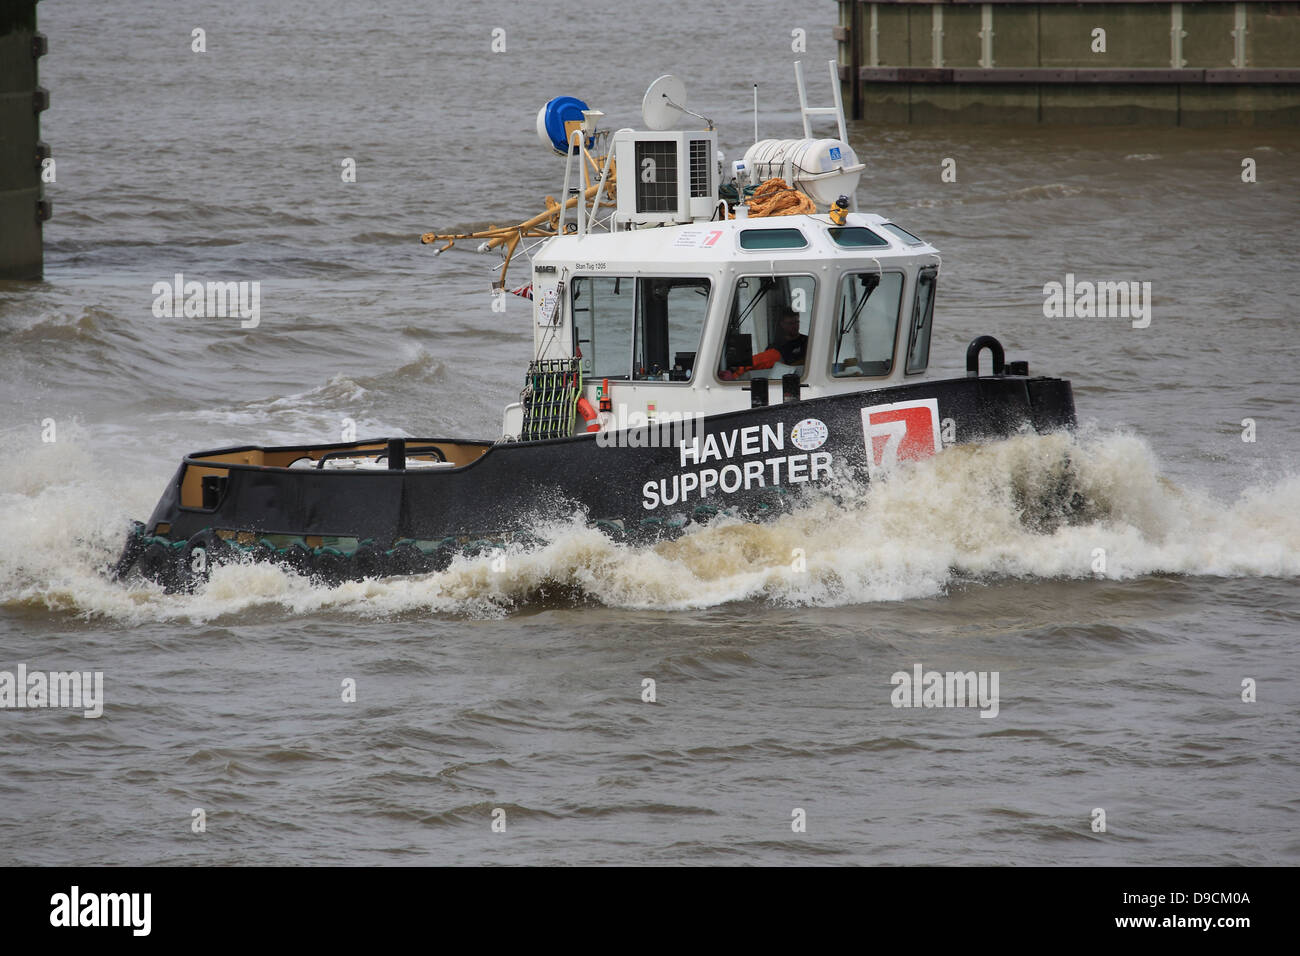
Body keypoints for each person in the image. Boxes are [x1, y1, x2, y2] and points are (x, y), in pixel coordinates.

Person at [720, 308, 807, 379]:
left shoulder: (806, 342)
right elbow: (762, 363)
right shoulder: (775, 345)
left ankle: (734, 375)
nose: (795, 326)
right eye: (791, 323)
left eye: (797, 322)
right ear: (782, 324)